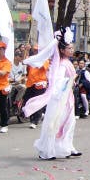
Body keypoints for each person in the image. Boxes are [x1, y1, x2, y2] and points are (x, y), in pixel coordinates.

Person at [23, 28, 81, 160]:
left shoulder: (66, 63)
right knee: (54, 123)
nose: (72, 50)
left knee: (69, 122)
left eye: (72, 48)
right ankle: (46, 150)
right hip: (59, 97)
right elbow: (59, 82)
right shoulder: (60, 64)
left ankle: (67, 147)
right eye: (69, 48)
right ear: (61, 50)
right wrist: (70, 82)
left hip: (67, 97)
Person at [23, 46, 49, 129]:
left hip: (40, 83)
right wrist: (26, 51)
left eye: (37, 50)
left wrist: (34, 60)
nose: (35, 51)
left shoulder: (45, 59)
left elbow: (40, 66)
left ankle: (35, 120)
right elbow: (24, 61)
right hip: (30, 83)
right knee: (27, 100)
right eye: (34, 50)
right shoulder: (32, 58)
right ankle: (33, 117)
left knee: (38, 102)